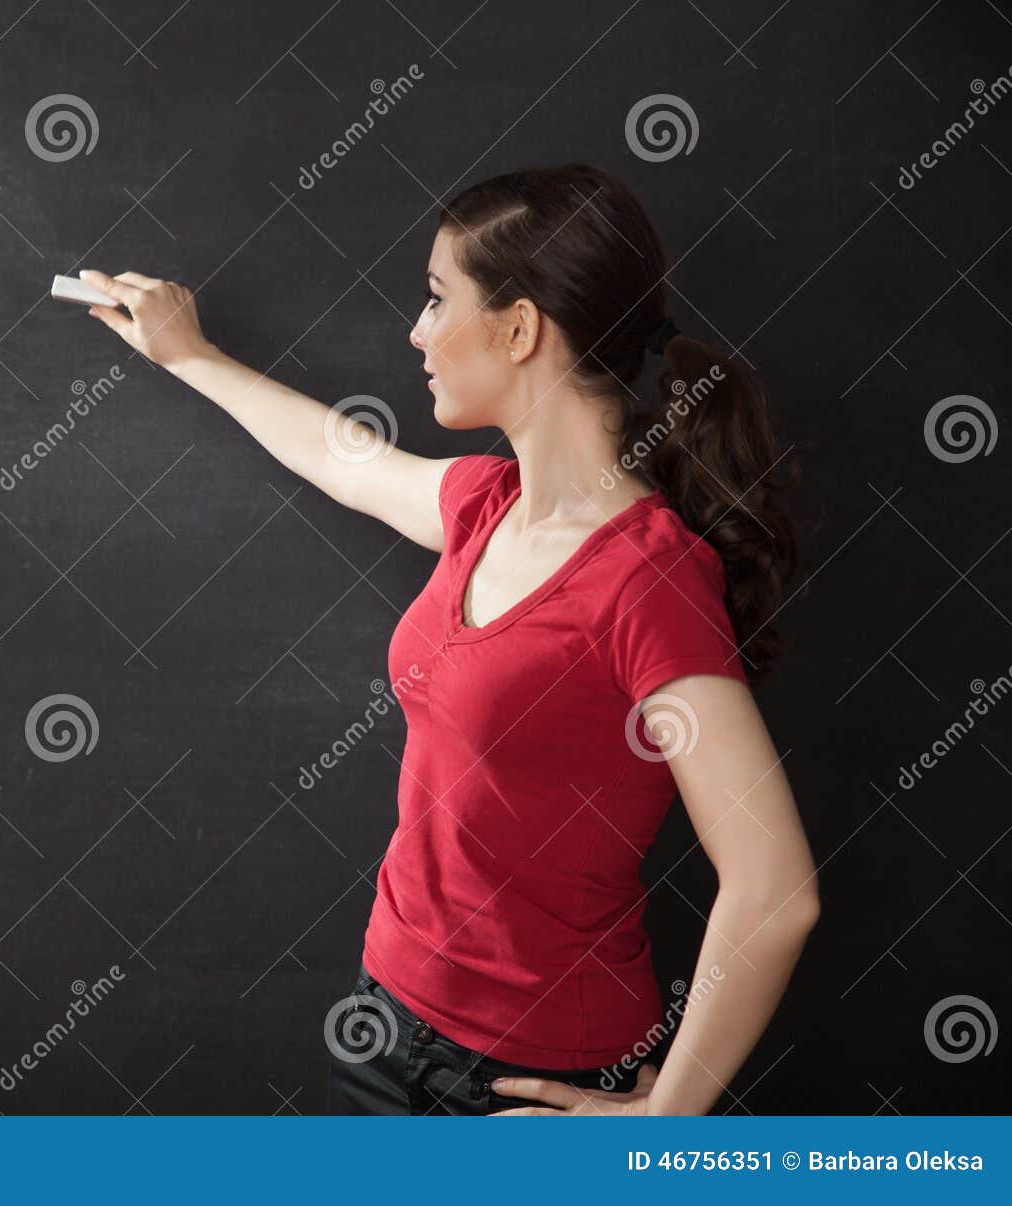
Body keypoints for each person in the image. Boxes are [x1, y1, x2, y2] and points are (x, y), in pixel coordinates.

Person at [78, 162, 818, 1116]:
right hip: (385, 1020)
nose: (416, 332)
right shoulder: (484, 504)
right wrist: (189, 355)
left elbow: (774, 886)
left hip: (522, 1086)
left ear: (519, 329)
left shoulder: (647, 580)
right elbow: (346, 461)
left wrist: (663, 1127)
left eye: (437, 300)